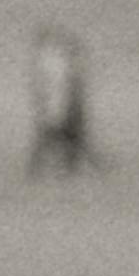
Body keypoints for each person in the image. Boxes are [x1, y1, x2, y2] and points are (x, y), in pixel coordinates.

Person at [27, 24, 95, 178]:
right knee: (57, 137)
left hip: (62, 106)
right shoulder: (53, 62)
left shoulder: (54, 61)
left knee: (62, 138)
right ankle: (39, 169)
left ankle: (42, 168)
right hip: (61, 107)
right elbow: (59, 86)